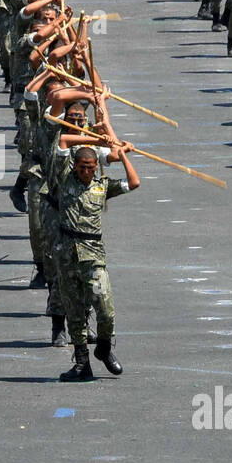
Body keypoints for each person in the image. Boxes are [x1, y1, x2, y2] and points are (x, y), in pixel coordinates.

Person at [51, 93, 140, 382]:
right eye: (83, 167)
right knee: (74, 310)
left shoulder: (102, 186)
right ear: (75, 166)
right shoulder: (65, 177)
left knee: (105, 308)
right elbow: (64, 142)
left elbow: (134, 182)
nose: (88, 171)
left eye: (91, 167)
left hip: (93, 253)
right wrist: (98, 142)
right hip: (66, 252)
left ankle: (103, 347)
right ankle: (81, 363)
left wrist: (123, 153)